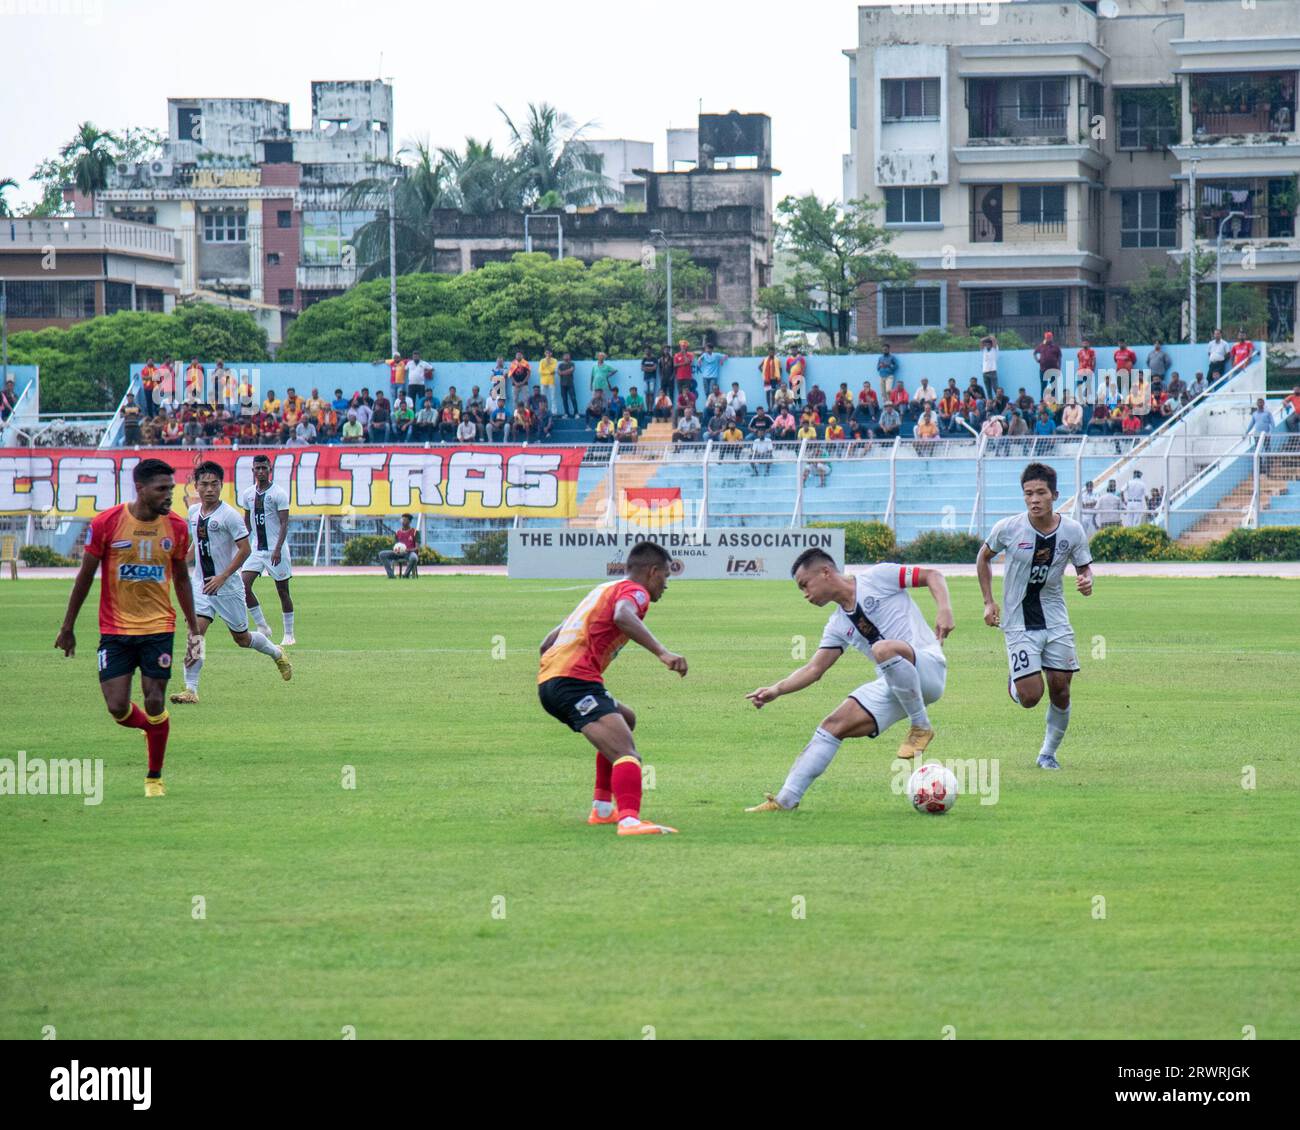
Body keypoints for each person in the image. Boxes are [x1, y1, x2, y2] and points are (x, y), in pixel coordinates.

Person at [743, 548, 955, 813]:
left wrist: (944, 609)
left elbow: (933, 575)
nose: (805, 595)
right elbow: (814, 669)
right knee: (831, 726)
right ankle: (785, 801)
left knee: (882, 650)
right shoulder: (837, 624)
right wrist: (776, 689)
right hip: (897, 685)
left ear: (825, 572)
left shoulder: (877, 577)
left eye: (805, 585)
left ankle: (921, 726)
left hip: (928, 667)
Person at [53, 458, 197, 797]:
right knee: (117, 706)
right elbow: (85, 576)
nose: (169, 496)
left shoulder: (176, 527)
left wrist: (194, 628)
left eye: (171, 489)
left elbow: (181, 577)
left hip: (158, 628)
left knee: (154, 699)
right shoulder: (107, 523)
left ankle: (154, 777)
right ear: (141, 489)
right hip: (115, 631)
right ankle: (151, 730)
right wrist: (68, 626)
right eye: (162, 490)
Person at [537, 541, 686, 836]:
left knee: (625, 718)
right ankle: (629, 821)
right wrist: (662, 652)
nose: (666, 586)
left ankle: (603, 809)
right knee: (626, 752)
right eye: (666, 577)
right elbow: (622, 616)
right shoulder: (636, 592)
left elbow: (547, 643)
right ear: (653, 572)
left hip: (554, 681)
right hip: (574, 682)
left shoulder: (602, 590)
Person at [977, 462, 1093, 770]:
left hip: (1056, 620)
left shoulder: (1072, 530)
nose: (1034, 499)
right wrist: (988, 602)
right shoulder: (1008, 528)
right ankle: (1017, 680)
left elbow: (1084, 567)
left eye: (1041, 492)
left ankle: (1048, 754)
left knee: (1061, 688)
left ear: (1055, 495)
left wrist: (1086, 580)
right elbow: (983, 557)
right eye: (1028, 493)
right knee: (1030, 697)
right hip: (1018, 622)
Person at [166, 460, 291, 705]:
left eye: (214, 484)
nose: (209, 489)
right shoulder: (193, 513)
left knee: (242, 639)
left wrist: (223, 576)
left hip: (228, 588)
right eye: (204, 484)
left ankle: (277, 652)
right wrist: (180, 560)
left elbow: (244, 550)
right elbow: (195, 545)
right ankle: (191, 689)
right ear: (195, 486)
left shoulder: (230, 516)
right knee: (195, 632)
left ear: (222, 486)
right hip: (201, 586)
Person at [238, 453, 296, 646]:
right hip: (256, 549)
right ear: (253, 470)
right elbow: (246, 522)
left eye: (264, 468)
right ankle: (262, 625)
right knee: (242, 585)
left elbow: (284, 523)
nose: (261, 471)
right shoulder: (248, 494)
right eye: (258, 468)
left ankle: (289, 634)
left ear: (270, 469)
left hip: (275, 550)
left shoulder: (278, 493)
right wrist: (242, 545)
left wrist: (278, 549)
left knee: (283, 591)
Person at [380, 513, 419, 579]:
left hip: (409, 553)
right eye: (402, 520)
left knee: (414, 558)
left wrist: (408, 550)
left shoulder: (415, 532)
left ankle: (406, 575)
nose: (403, 521)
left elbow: (417, 548)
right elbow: (396, 545)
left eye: (405, 520)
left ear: (409, 522)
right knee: (382, 554)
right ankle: (391, 575)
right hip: (398, 553)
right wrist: (396, 550)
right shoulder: (398, 532)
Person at [759, 345, 781, 410]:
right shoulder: (765, 359)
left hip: (774, 379)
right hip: (767, 380)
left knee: (774, 394)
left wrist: (778, 377)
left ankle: (773, 407)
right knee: (768, 394)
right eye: (770, 351)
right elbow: (759, 367)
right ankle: (769, 407)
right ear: (768, 352)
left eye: (772, 351)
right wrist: (764, 374)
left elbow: (780, 369)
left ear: (774, 352)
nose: (771, 353)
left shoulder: (777, 360)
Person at [537, 347, 557, 414]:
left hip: (551, 381)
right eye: (546, 352)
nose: (548, 354)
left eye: (549, 353)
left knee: (553, 397)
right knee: (543, 398)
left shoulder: (554, 360)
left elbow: (553, 369)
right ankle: (544, 411)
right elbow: (540, 371)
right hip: (543, 381)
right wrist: (549, 372)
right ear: (545, 353)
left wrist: (546, 370)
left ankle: (554, 412)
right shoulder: (542, 361)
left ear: (551, 353)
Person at [980, 334, 999, 399]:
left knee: (995, 388)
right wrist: (988, 337)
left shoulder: (994, 349)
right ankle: (990, 402)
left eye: (988, 344)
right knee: (988, 390)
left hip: (992, 372)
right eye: (986, 344)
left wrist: (991, 337)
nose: (987, 345)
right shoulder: (984, 350)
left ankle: (998, 400)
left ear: (991, 344)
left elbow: (993, 339)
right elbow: (981, 340)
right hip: (985, 372)